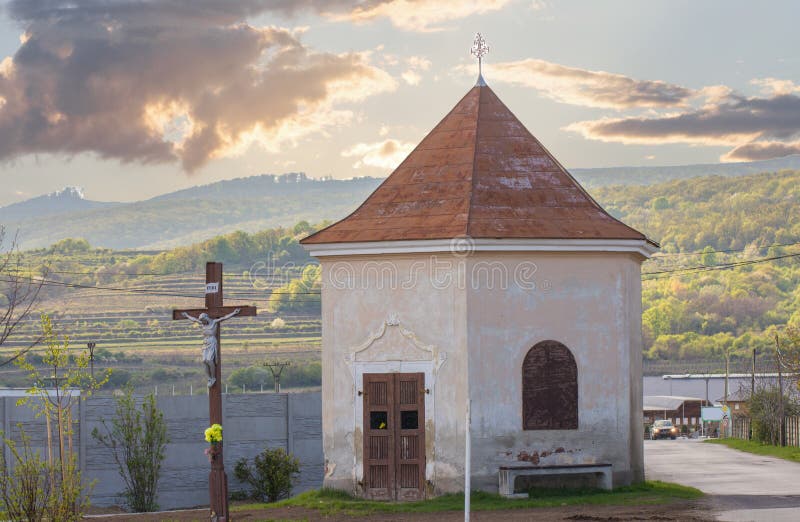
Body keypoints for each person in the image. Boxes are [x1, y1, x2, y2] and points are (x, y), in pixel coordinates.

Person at [183, 309, 240, 387]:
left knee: (209, 360)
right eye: (202, 321)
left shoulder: (214, 322)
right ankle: (209, 378)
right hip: (205, 343)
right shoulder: (203, 323)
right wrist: (187, 315)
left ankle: (213, 378)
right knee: (204, 361)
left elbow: (224, 318)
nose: (202, 322)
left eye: (203, 320)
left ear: (206, 318)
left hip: (212, 342)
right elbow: (194, 320)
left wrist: (233, 313)